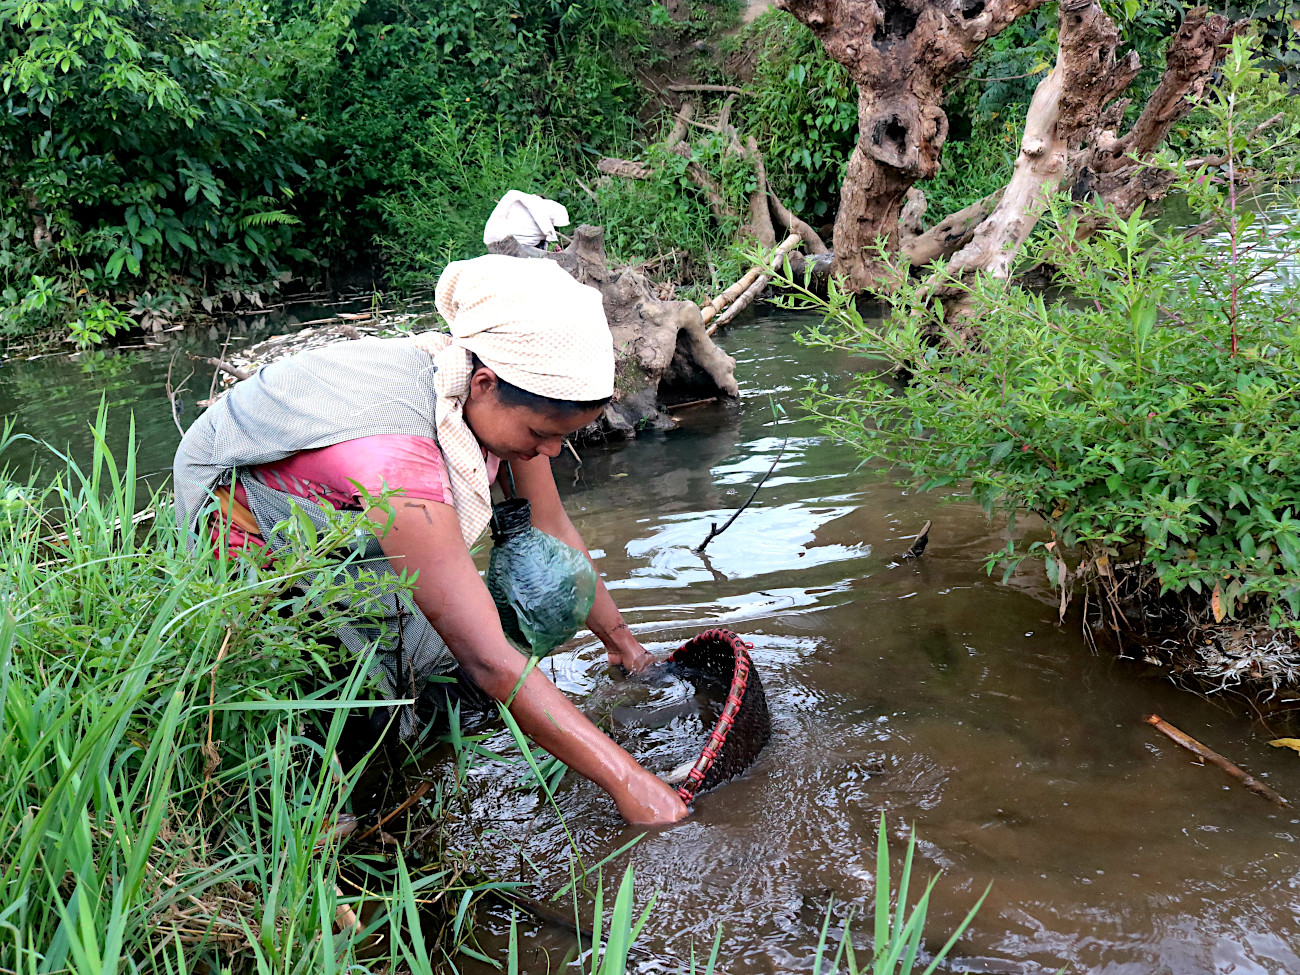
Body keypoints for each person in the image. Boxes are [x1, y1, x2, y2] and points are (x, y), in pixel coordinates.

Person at [173, 255, 689, 826]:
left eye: (561, 439)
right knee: (346, 704)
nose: (549, 453)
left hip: (353, 510)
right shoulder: (396, 456)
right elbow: (489, 659)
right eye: (543, 436)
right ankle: (326, 829)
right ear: (485, 384)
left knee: (451, 676)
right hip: (254, 521)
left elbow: (553, 528)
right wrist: (627, 781)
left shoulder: (498, 400)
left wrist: (625, 647)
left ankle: (423, 748)